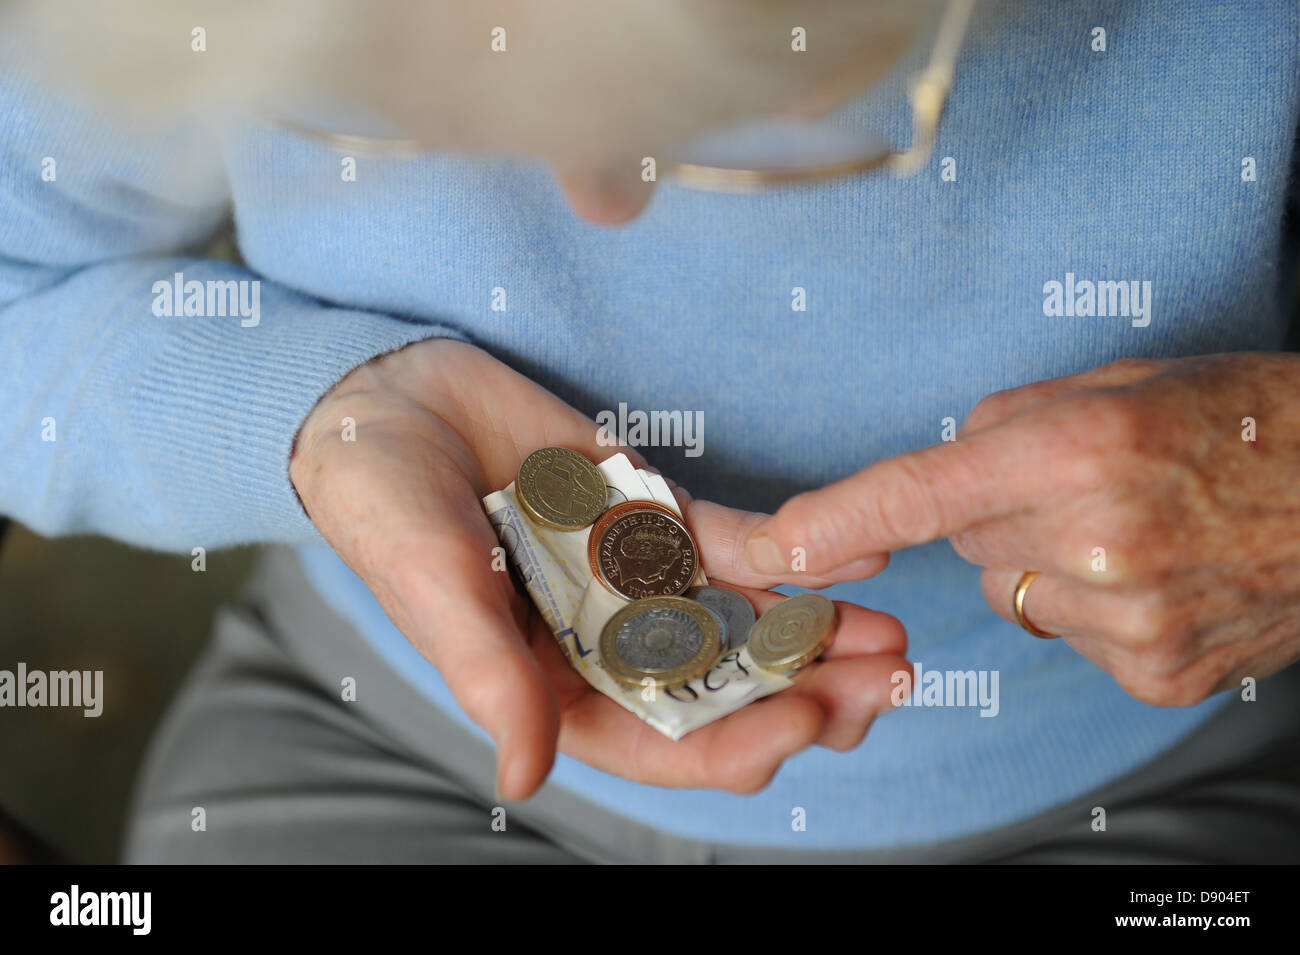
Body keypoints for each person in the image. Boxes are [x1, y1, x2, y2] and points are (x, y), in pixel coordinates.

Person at [2, 1, 1298, 863]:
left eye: (732, 129)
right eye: (399, 108)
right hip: (387, 733)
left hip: (1159, 770)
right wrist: (310, 418)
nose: (599, 203)